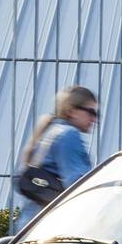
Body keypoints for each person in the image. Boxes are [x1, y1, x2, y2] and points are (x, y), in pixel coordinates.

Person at [14, 85, 99, 231]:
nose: (94, 119)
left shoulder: (50, 131)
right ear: (71, 111)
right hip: (52, 227)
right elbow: (78, 184)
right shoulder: (69, 134)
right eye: (91, 112)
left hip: (31, 224)